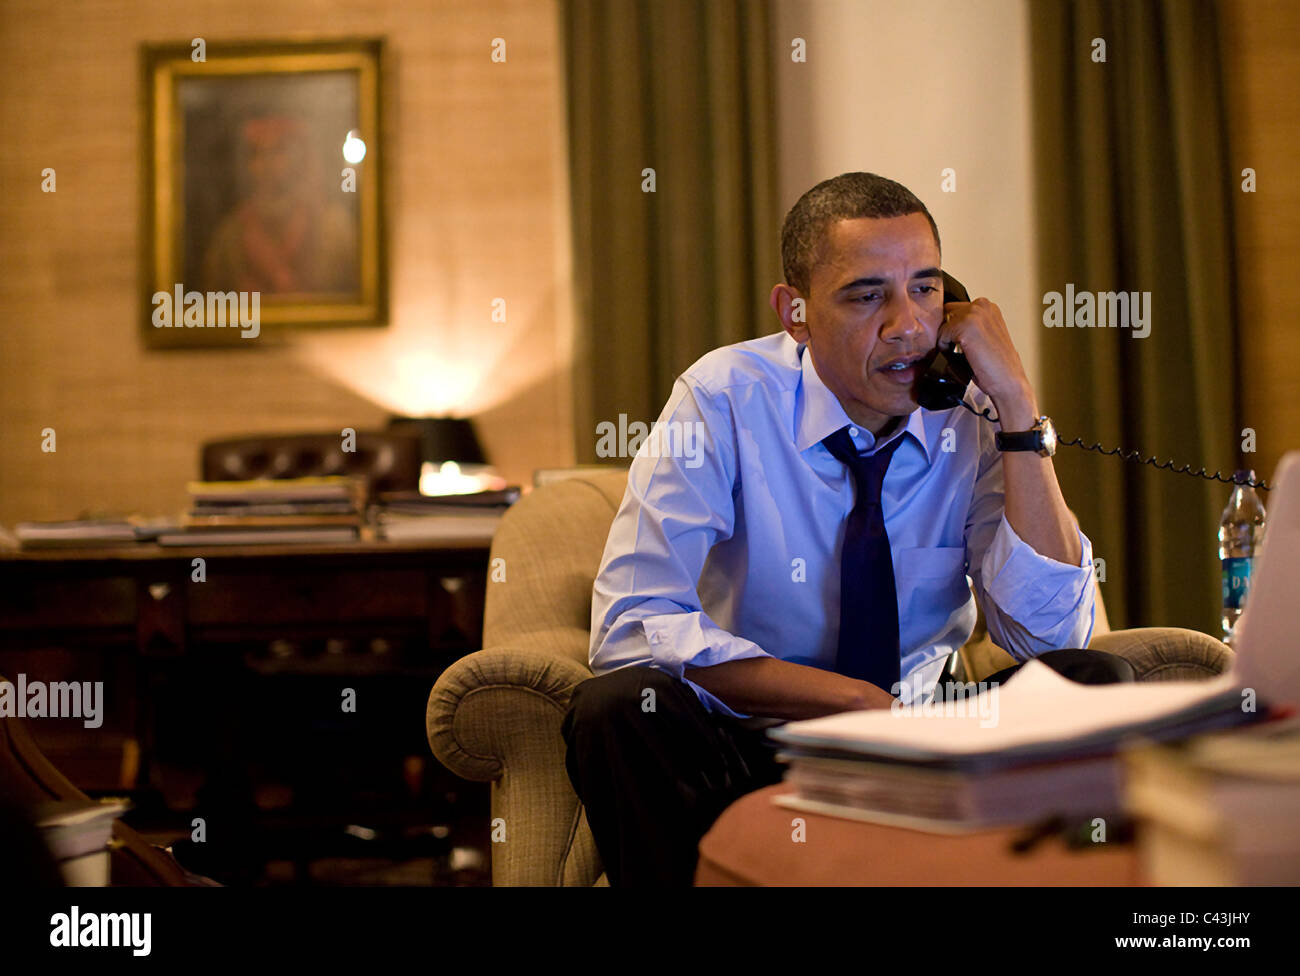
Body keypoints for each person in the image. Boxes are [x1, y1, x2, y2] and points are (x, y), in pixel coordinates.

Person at [561, 172, 1131, 887]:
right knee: (615, 710)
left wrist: (1018, 411)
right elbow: (632, 627)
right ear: (794, 312)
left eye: (925, 289)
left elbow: (1048, 639)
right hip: (757, 740)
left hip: (932, 737)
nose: (910, 327)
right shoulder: (722, 399)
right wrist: (856, 701)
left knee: (1094, 679)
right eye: (868, 296)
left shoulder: (972, 411)